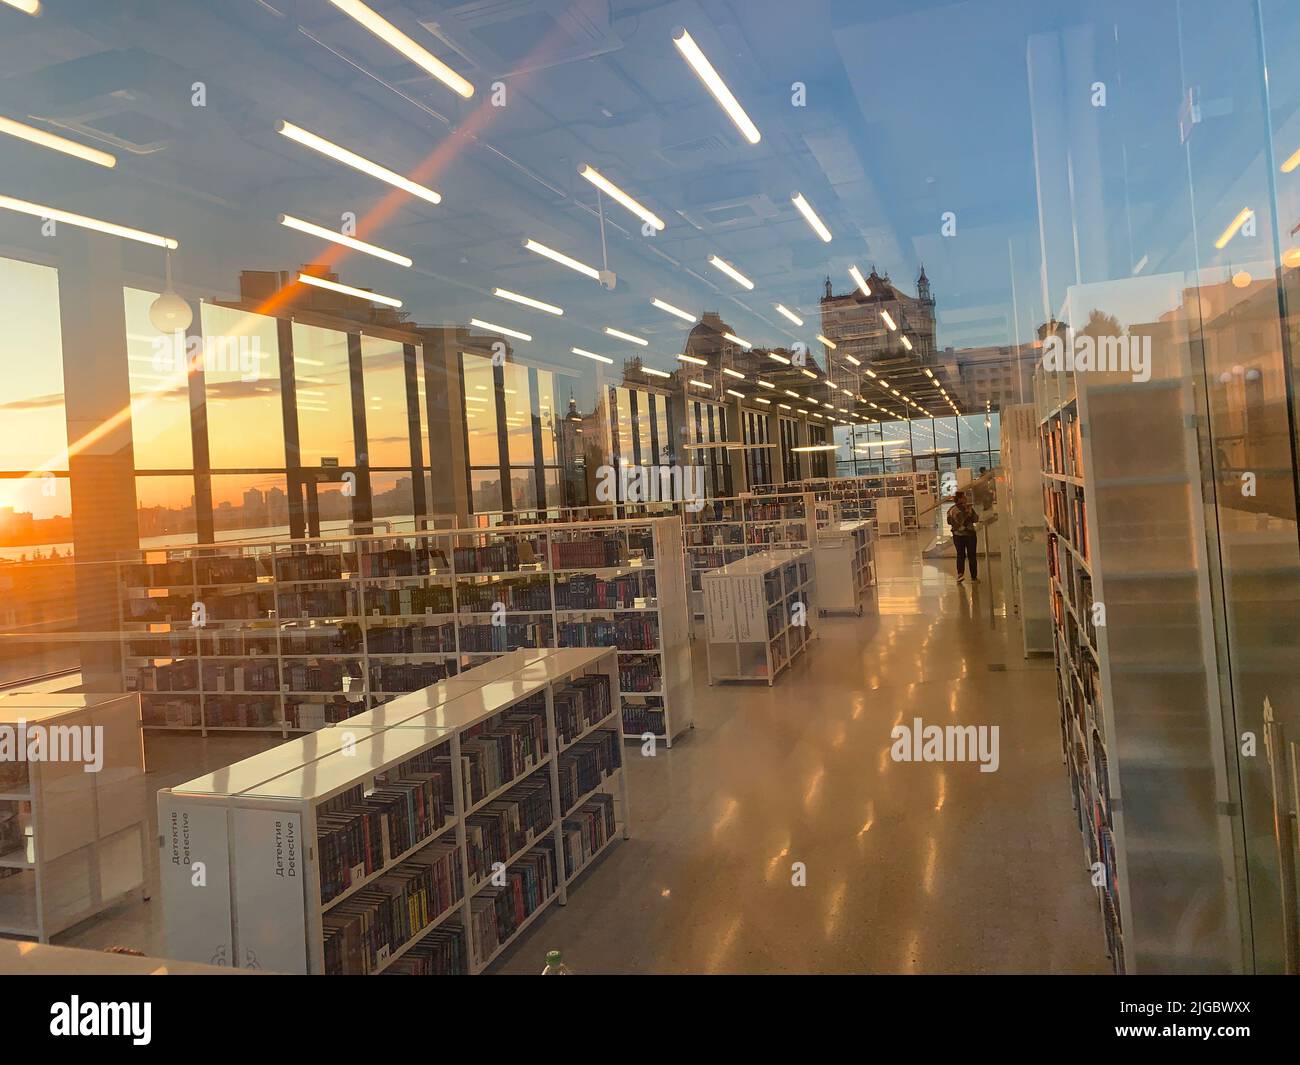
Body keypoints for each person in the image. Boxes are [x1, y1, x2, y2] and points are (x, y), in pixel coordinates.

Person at [947, 489, 980, 583]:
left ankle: (960, 574)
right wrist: (968, 514)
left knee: (960, 555)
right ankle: (974, 577)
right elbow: (976, 519)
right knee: (972, 555)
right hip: (970, 535)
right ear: (960, 498)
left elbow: (949, 521)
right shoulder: (968, 508)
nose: (966, 498)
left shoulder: (951, 509)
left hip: (957, 535)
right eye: (964, 496)